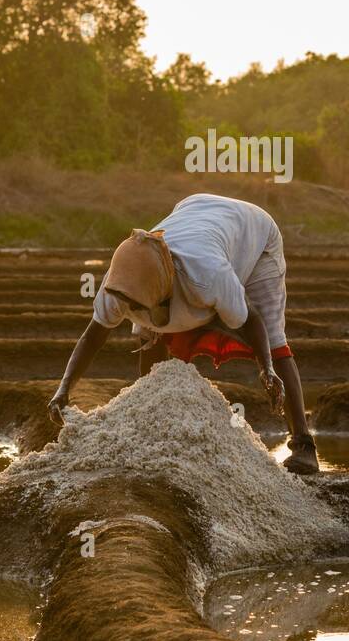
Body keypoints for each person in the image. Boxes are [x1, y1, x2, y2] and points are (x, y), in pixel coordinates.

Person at [47, 193, 319, 474]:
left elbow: (251, 319)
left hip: (254, 231)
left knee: (273, 341)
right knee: (149, 335)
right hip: (194, 208)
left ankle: (304, 445)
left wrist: (266, 368)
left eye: (141, 308)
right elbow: (92, 337)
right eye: (132, 308)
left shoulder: (208, 276)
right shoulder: (119, 285)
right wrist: (63, 390)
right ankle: (151, 425)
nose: (134, 313)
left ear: (165, 294)